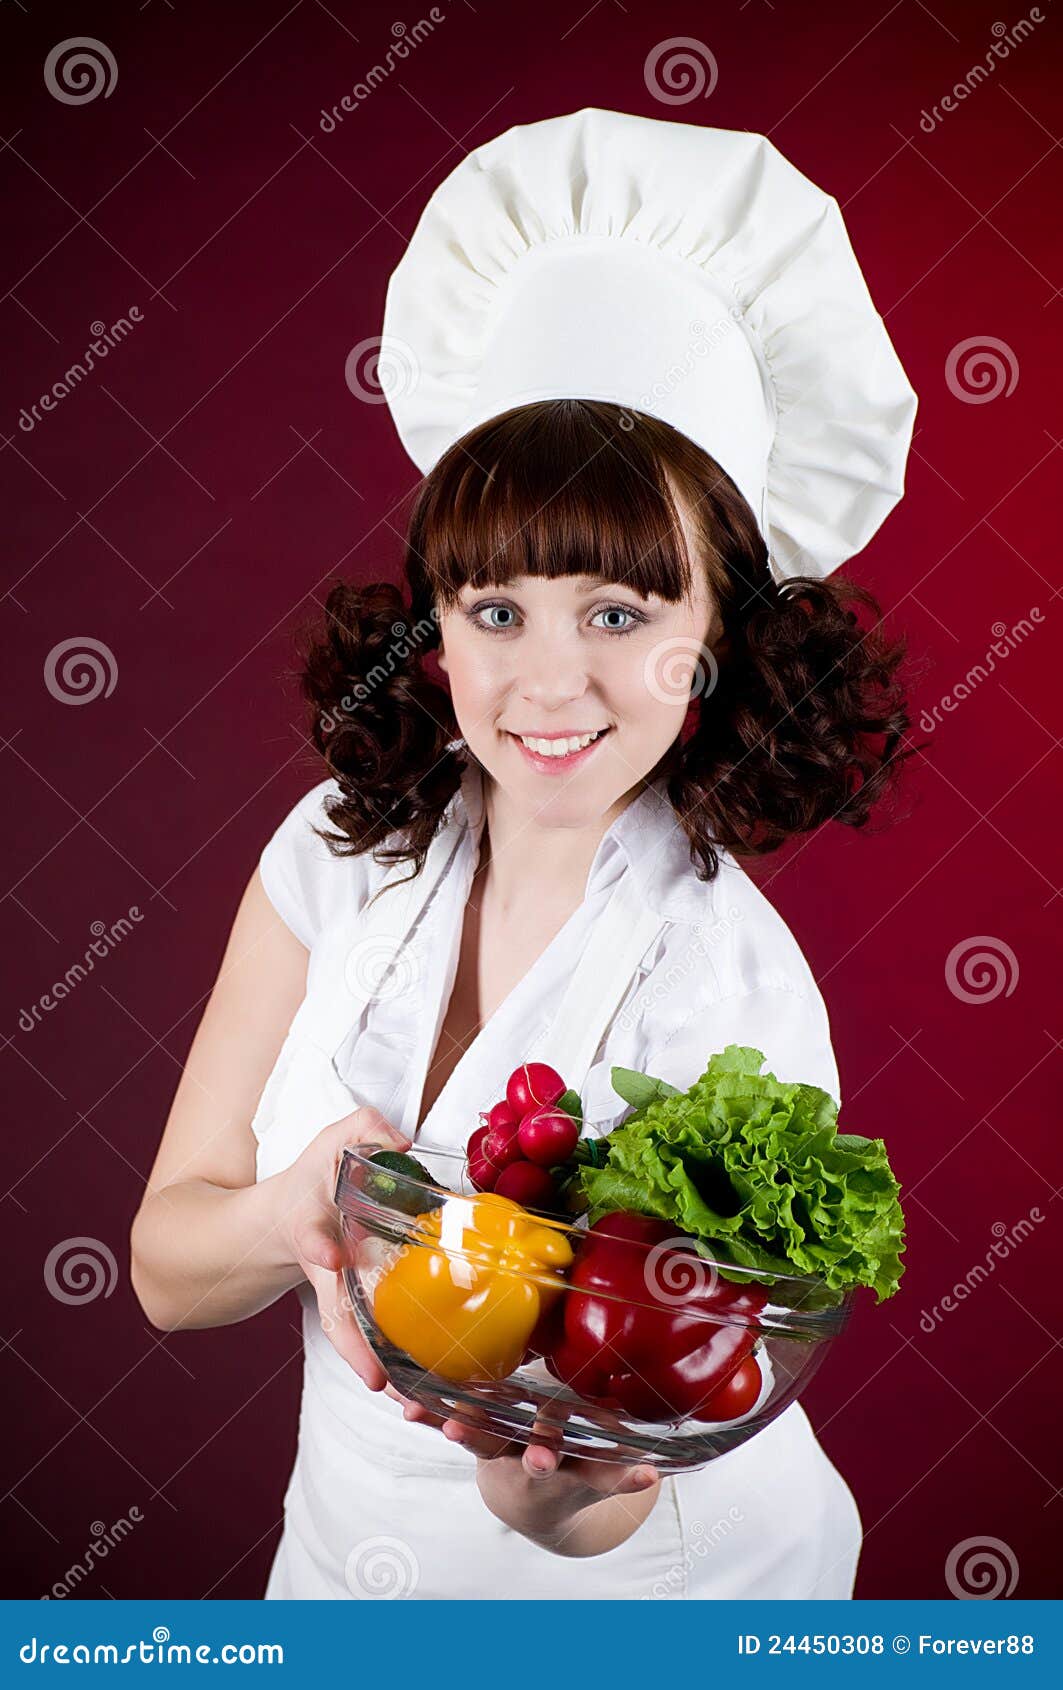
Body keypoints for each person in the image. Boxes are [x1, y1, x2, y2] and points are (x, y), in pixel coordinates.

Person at [130, 108, 920, 1600]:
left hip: (660, 1603)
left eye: (619, 614)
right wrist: (284, 1211)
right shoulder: (332, 850)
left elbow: (607, 1494)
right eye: (496, 610)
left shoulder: (729, 986)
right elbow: (171, 1265)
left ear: (720, 640)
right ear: (435, 626)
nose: (547, 683)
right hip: (342, 1578)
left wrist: (555, 1475)